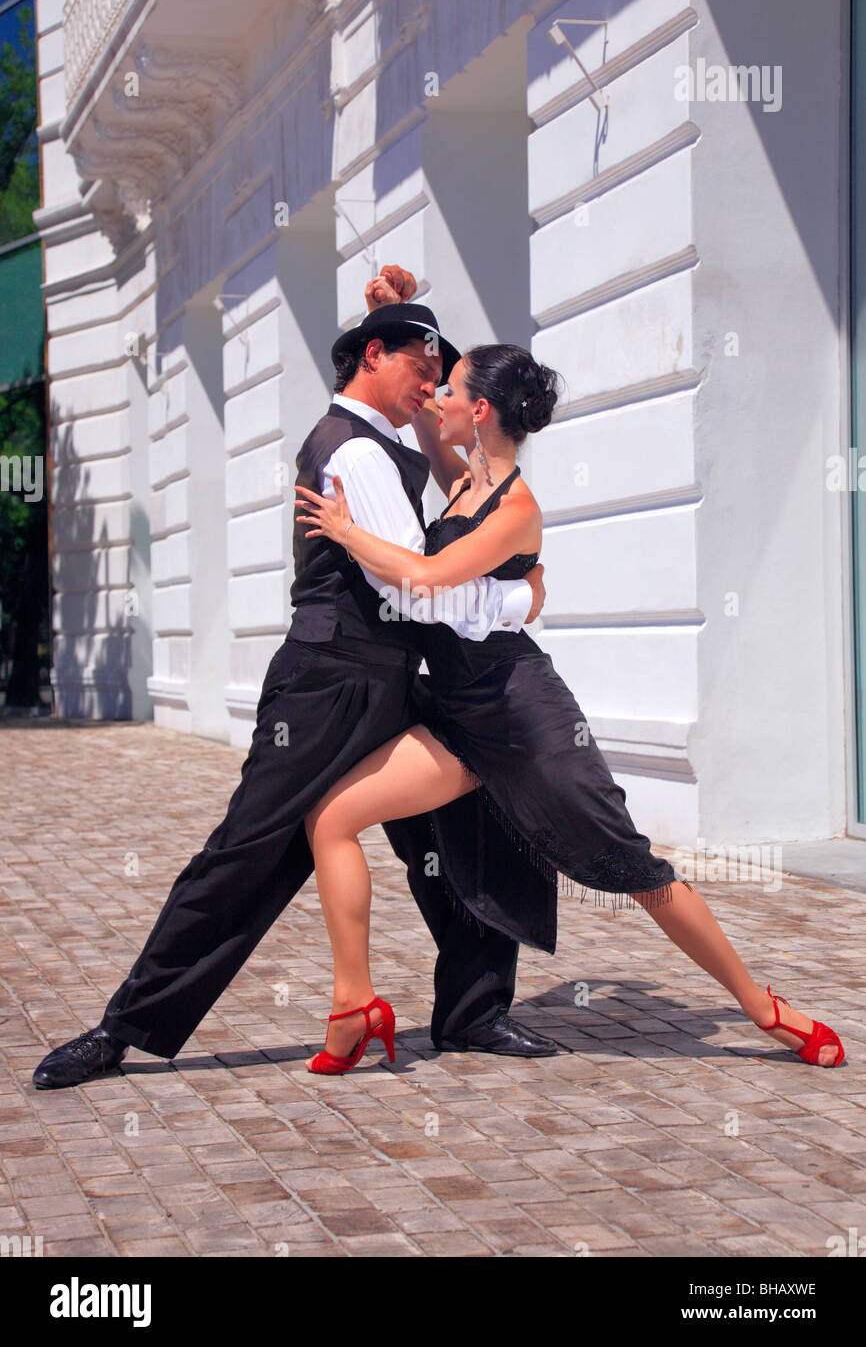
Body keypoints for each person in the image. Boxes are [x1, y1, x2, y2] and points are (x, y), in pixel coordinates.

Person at [32, 288, 558, 1091]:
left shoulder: (379, 440)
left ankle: (473, 1010)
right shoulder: (351, 451)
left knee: (468, 817)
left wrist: (400, 306)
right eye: (423, 367)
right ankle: (122, 1029)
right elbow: (412, 590)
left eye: (442, 376)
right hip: (331, 686)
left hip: (383, 679)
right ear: (376, 357)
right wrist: (522, 600)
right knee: (252, 852)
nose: (432, 385)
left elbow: (429, 537)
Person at [295, 336, 845, 1074]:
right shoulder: (463, 479)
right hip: (459, 720)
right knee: (331, 817)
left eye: (450, 390)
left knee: (631, 870)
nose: (436, 398)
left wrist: (346, 533)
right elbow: (420, 413)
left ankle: (760, 1006)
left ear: (482, 409)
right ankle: (354, 1004)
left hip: (527, 719)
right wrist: (385, 325)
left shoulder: (516, 509)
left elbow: (424, 580)